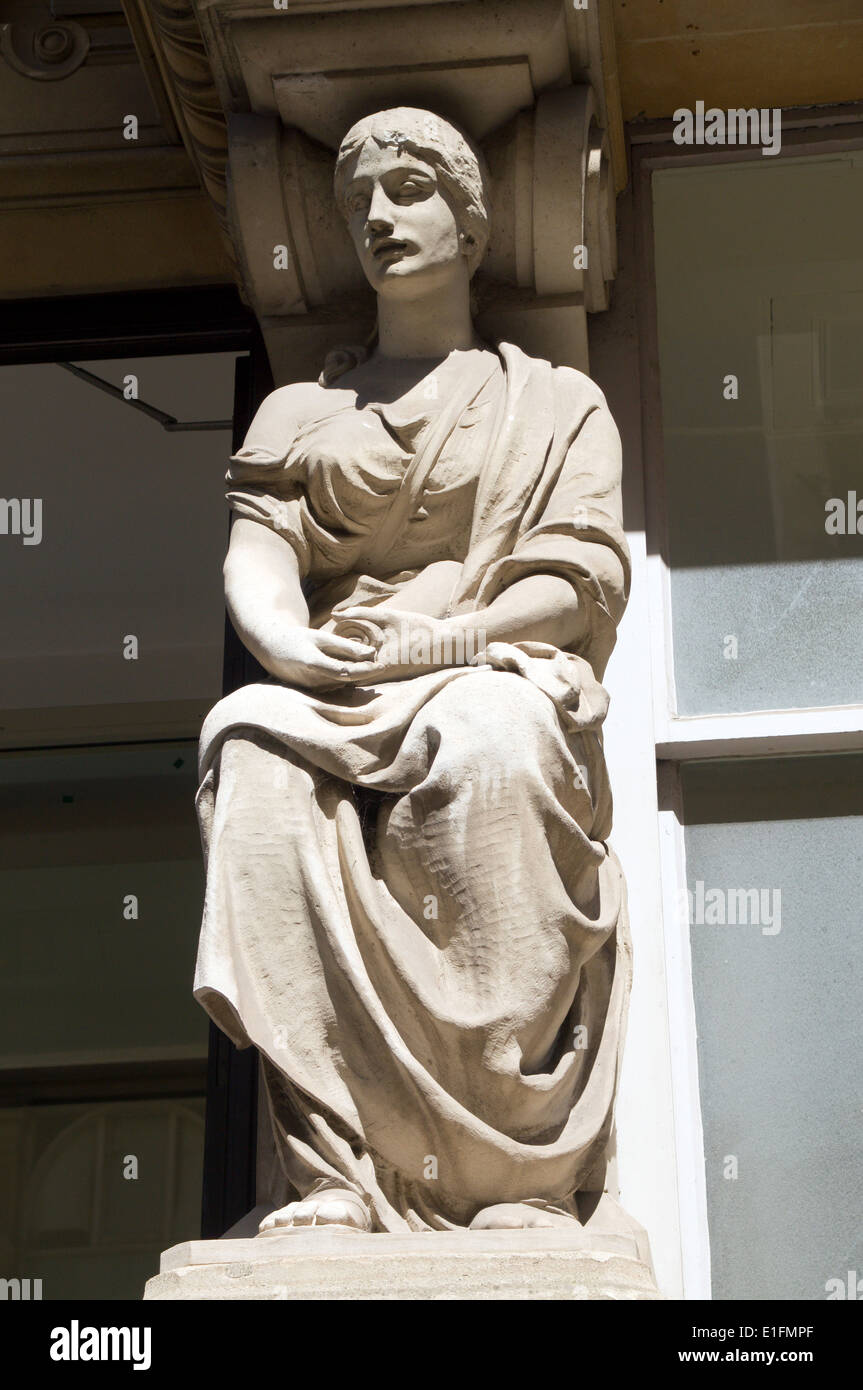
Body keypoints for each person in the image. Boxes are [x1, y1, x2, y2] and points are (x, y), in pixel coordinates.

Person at [194, 107, 632, 1233]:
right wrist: (290, 646)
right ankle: (337, 1168)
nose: (379, 218)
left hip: (484, 663)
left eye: (407, 189)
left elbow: (578, 577)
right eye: (357, 204)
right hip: (336, 684)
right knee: (249, 746)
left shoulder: (552, 402)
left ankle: (514, 1171)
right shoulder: (304, 409)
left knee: (493, 741)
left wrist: (461, 635)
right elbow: (258, 554)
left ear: (471, 222)